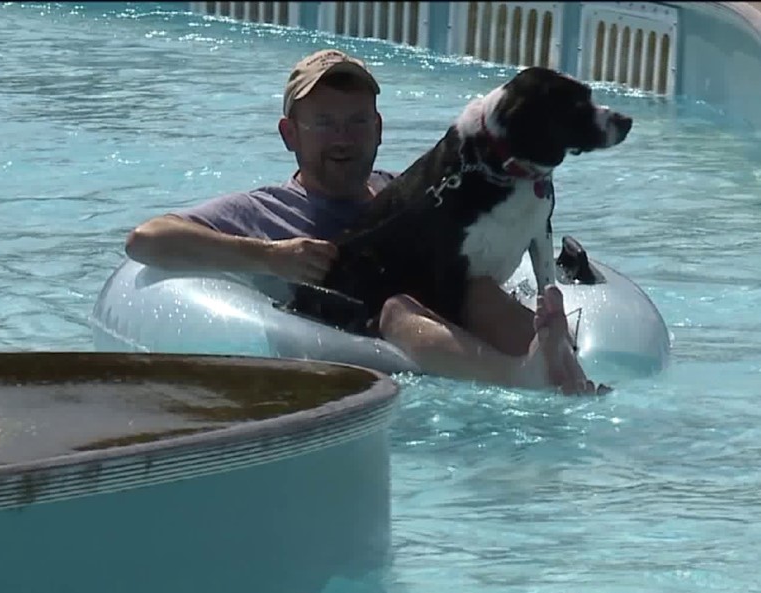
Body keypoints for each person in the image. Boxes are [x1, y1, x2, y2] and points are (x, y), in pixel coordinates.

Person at [125, 49, 605, 395]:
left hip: (448, 314)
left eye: (357, 122)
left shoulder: (412, 195)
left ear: (378, 129)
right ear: (290, 134)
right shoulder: (266, 211)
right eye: (325, 123)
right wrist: (271, 257)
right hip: (356, 331)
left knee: (476, 288)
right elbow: (146, 241)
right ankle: (519, 376)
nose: (343, 138)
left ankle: (563, 373)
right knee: (398, 308)